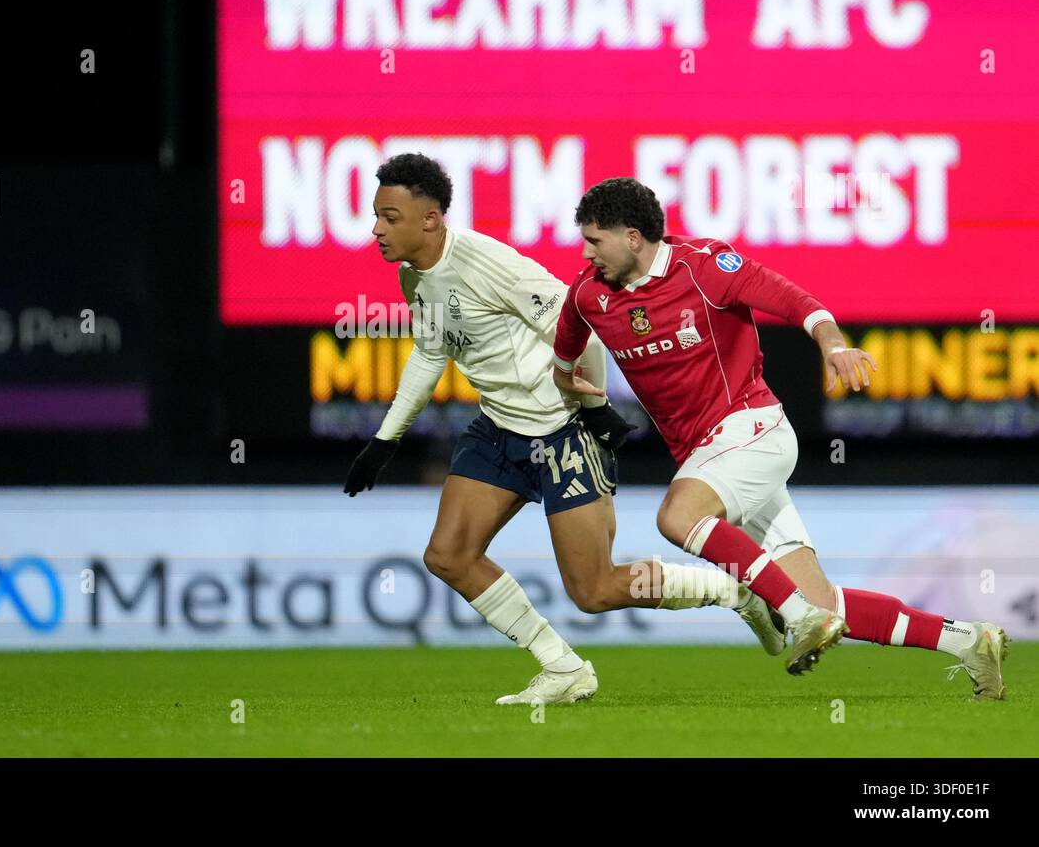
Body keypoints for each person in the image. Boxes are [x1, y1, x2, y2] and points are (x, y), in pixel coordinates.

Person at [344, 154, 785, 706]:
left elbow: (580, 329)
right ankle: (563, 668)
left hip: (563, 432)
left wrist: (594, 407)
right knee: (449, 556)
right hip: (498, 430)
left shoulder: (488, 263)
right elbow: (431, 354)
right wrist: (384, 441)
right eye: (377, 217)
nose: (376, 230)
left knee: (595, 591)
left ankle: (733, 591)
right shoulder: (415, 275)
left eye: (389, 217)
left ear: (429, 220)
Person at [551, 176, 1008, 698]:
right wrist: (574, 386)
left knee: (677, 517)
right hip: (711, 460)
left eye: (594, 240)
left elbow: (795, 301)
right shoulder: (590, 294)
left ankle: (793, 615)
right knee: (827, 604)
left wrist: (834, 347)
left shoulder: (703, 267)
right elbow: (566, 350)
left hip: (752, 428)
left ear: (632, 237)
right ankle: (969, 641)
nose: (586, 253)